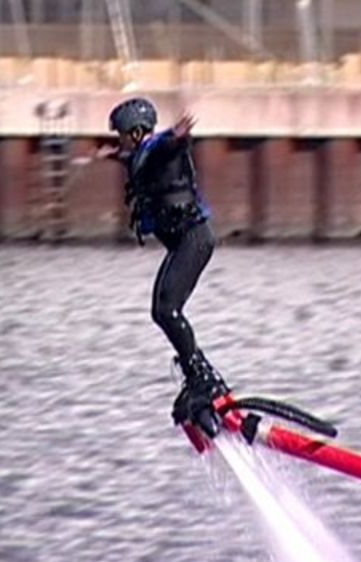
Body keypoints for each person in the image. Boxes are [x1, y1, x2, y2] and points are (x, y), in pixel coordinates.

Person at [96, 97, 229, 437]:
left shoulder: (159, 148)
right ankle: (198, 378)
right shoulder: (141, 154)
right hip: (189, 242)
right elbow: (139, 160)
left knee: (166, 310)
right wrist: (115, 157)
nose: (120, 141)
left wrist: (179, 136)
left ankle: (204, 380)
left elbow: (167, 148)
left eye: (122, 135)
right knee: (162, 311)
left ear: (137, 132)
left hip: (194, 240)